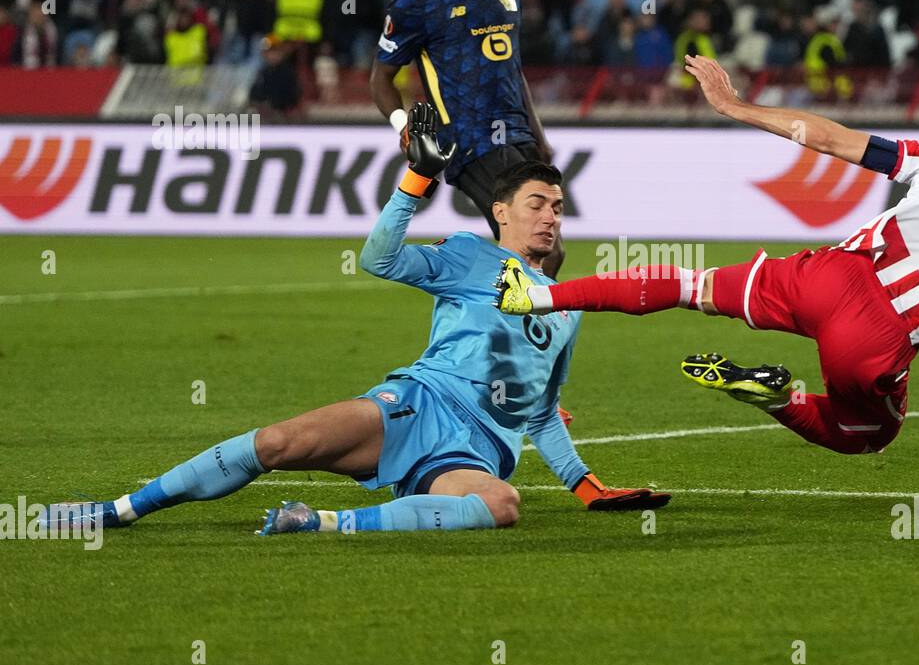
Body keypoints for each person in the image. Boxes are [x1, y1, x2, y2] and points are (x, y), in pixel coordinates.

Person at [495, 55, 919, 466]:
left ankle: (539, 297)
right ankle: (780, 394)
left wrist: (737, 107)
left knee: (687, 283)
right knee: (869, 432)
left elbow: (833, 139)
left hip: (824, 275)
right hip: (876, 335)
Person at [48, 105, 670, 536]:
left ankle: (316, 522)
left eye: (558, 208)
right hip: (416, 404)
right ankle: (116, 511)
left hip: (476, 450)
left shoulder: (568, 307)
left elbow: (541, 412)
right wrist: (418, 177)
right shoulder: (469, 255)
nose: (551, 217)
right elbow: (379, 258)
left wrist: (587, 487)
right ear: (501, 211)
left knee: (502, 506)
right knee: (276, 443)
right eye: (538, 204)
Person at [368, 0, 564, 279]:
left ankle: (505, 329)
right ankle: (526, 335)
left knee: (536, 256)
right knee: (540, 249)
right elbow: (381, 79)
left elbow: (514, 70)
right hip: (471, 142)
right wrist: (404, 127)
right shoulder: (415, 3)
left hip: (519, 136)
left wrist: (538, 136)